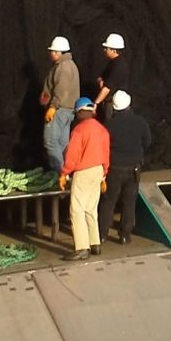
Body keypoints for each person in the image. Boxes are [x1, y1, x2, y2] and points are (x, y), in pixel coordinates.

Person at [58, 97, 110, 261]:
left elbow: (72, 155)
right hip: (98, 171)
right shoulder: (102, 130)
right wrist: (104, 175)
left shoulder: (79, 130)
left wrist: (64, 173)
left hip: (83, 172)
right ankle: (95, 244)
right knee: (91, 208)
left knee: (77, 210)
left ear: (80, 112)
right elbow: (106, 154)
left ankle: (81, 248)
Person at [98, 90, 151, 245]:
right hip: (133, 168)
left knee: (108, 201)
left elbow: (103, 146)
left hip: (114, 168)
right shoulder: (140, 121)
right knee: (129, 202)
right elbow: (147, 141)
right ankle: (125, 235)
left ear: (113, 107)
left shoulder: (109, 124)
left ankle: (102, 235)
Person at [40, 35, 80, 173]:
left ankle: (59, 175)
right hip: (68, 111)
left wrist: (52, 107)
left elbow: (61, 89)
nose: (50, 53)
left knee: (50, 141)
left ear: (58, 52)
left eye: (52, 51)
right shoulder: (70, 65)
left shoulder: (63, 67)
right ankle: (66, 173)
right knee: (63, 144)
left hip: (59, 109)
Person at [93, 32, 129, 122]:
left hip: (113, 104)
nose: (104, 50)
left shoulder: (118, 66)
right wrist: (101, 80)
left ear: (114, 50)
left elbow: (107, 88)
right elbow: (101, 78)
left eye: (107, 48)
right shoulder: (113, 63)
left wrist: (96, 102)